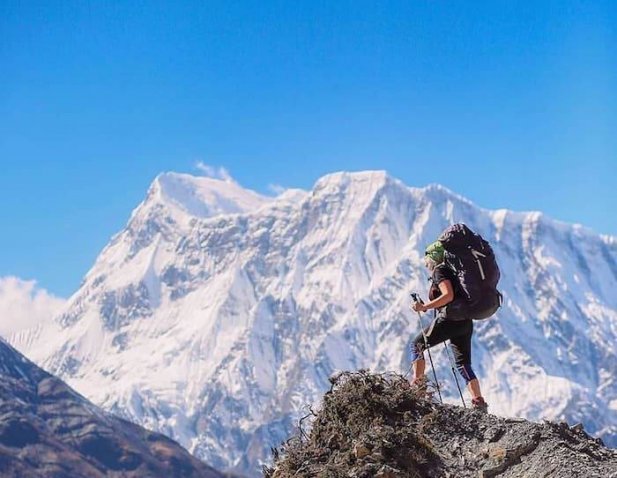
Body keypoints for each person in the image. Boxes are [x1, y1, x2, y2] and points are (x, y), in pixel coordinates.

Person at [410, 240, 488, 411]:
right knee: (463, 363)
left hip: (450, 320)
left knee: (417, 345)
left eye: (427, 259)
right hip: (465, 321)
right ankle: (478, 401)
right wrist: (430, 306)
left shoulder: (440, 271)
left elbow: (448, 295)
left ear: (434, 258)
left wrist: (424, 307)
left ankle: (417, 390)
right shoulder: (454, 271)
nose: (426, 264)